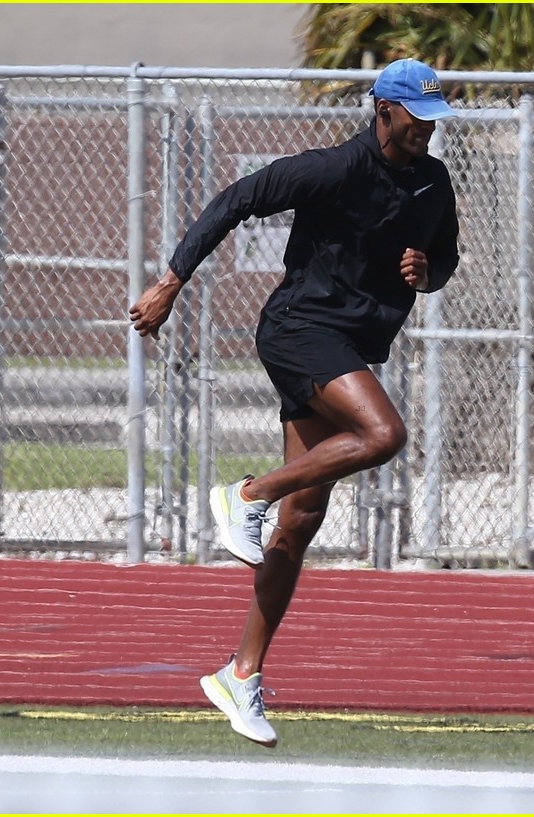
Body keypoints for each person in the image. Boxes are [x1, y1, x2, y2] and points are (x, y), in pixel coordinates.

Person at [128, 58, 460, 747]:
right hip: (299, 330)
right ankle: (245, 494)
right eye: (417, 117)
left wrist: (429, 272)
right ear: (385, 110)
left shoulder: (433, 181)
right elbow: (235, 200)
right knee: (385, 433)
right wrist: (171, 282)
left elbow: (446, 260)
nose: (426, 129)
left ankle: (239, 675)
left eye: (435, 119)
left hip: (350, 346)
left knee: (302, 519)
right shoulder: (333, 168)